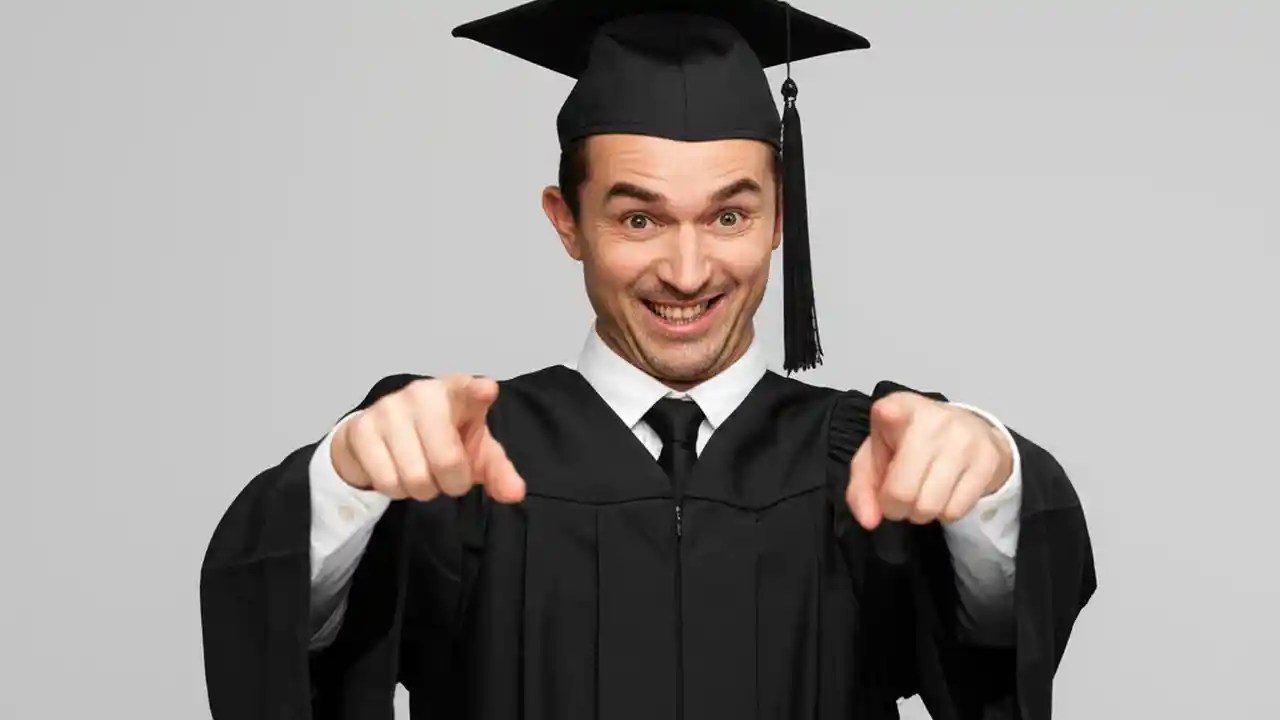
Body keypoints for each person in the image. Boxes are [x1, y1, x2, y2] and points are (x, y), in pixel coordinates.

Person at [200, 1, 1096, 718]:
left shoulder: (863, 460)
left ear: (781, 219)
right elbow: (289, 637)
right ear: (566, 221)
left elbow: (992, 645)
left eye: (729, 216)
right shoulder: (463, 461)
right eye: (640, 219)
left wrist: (994, 485)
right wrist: (342, 484)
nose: (689, 269)